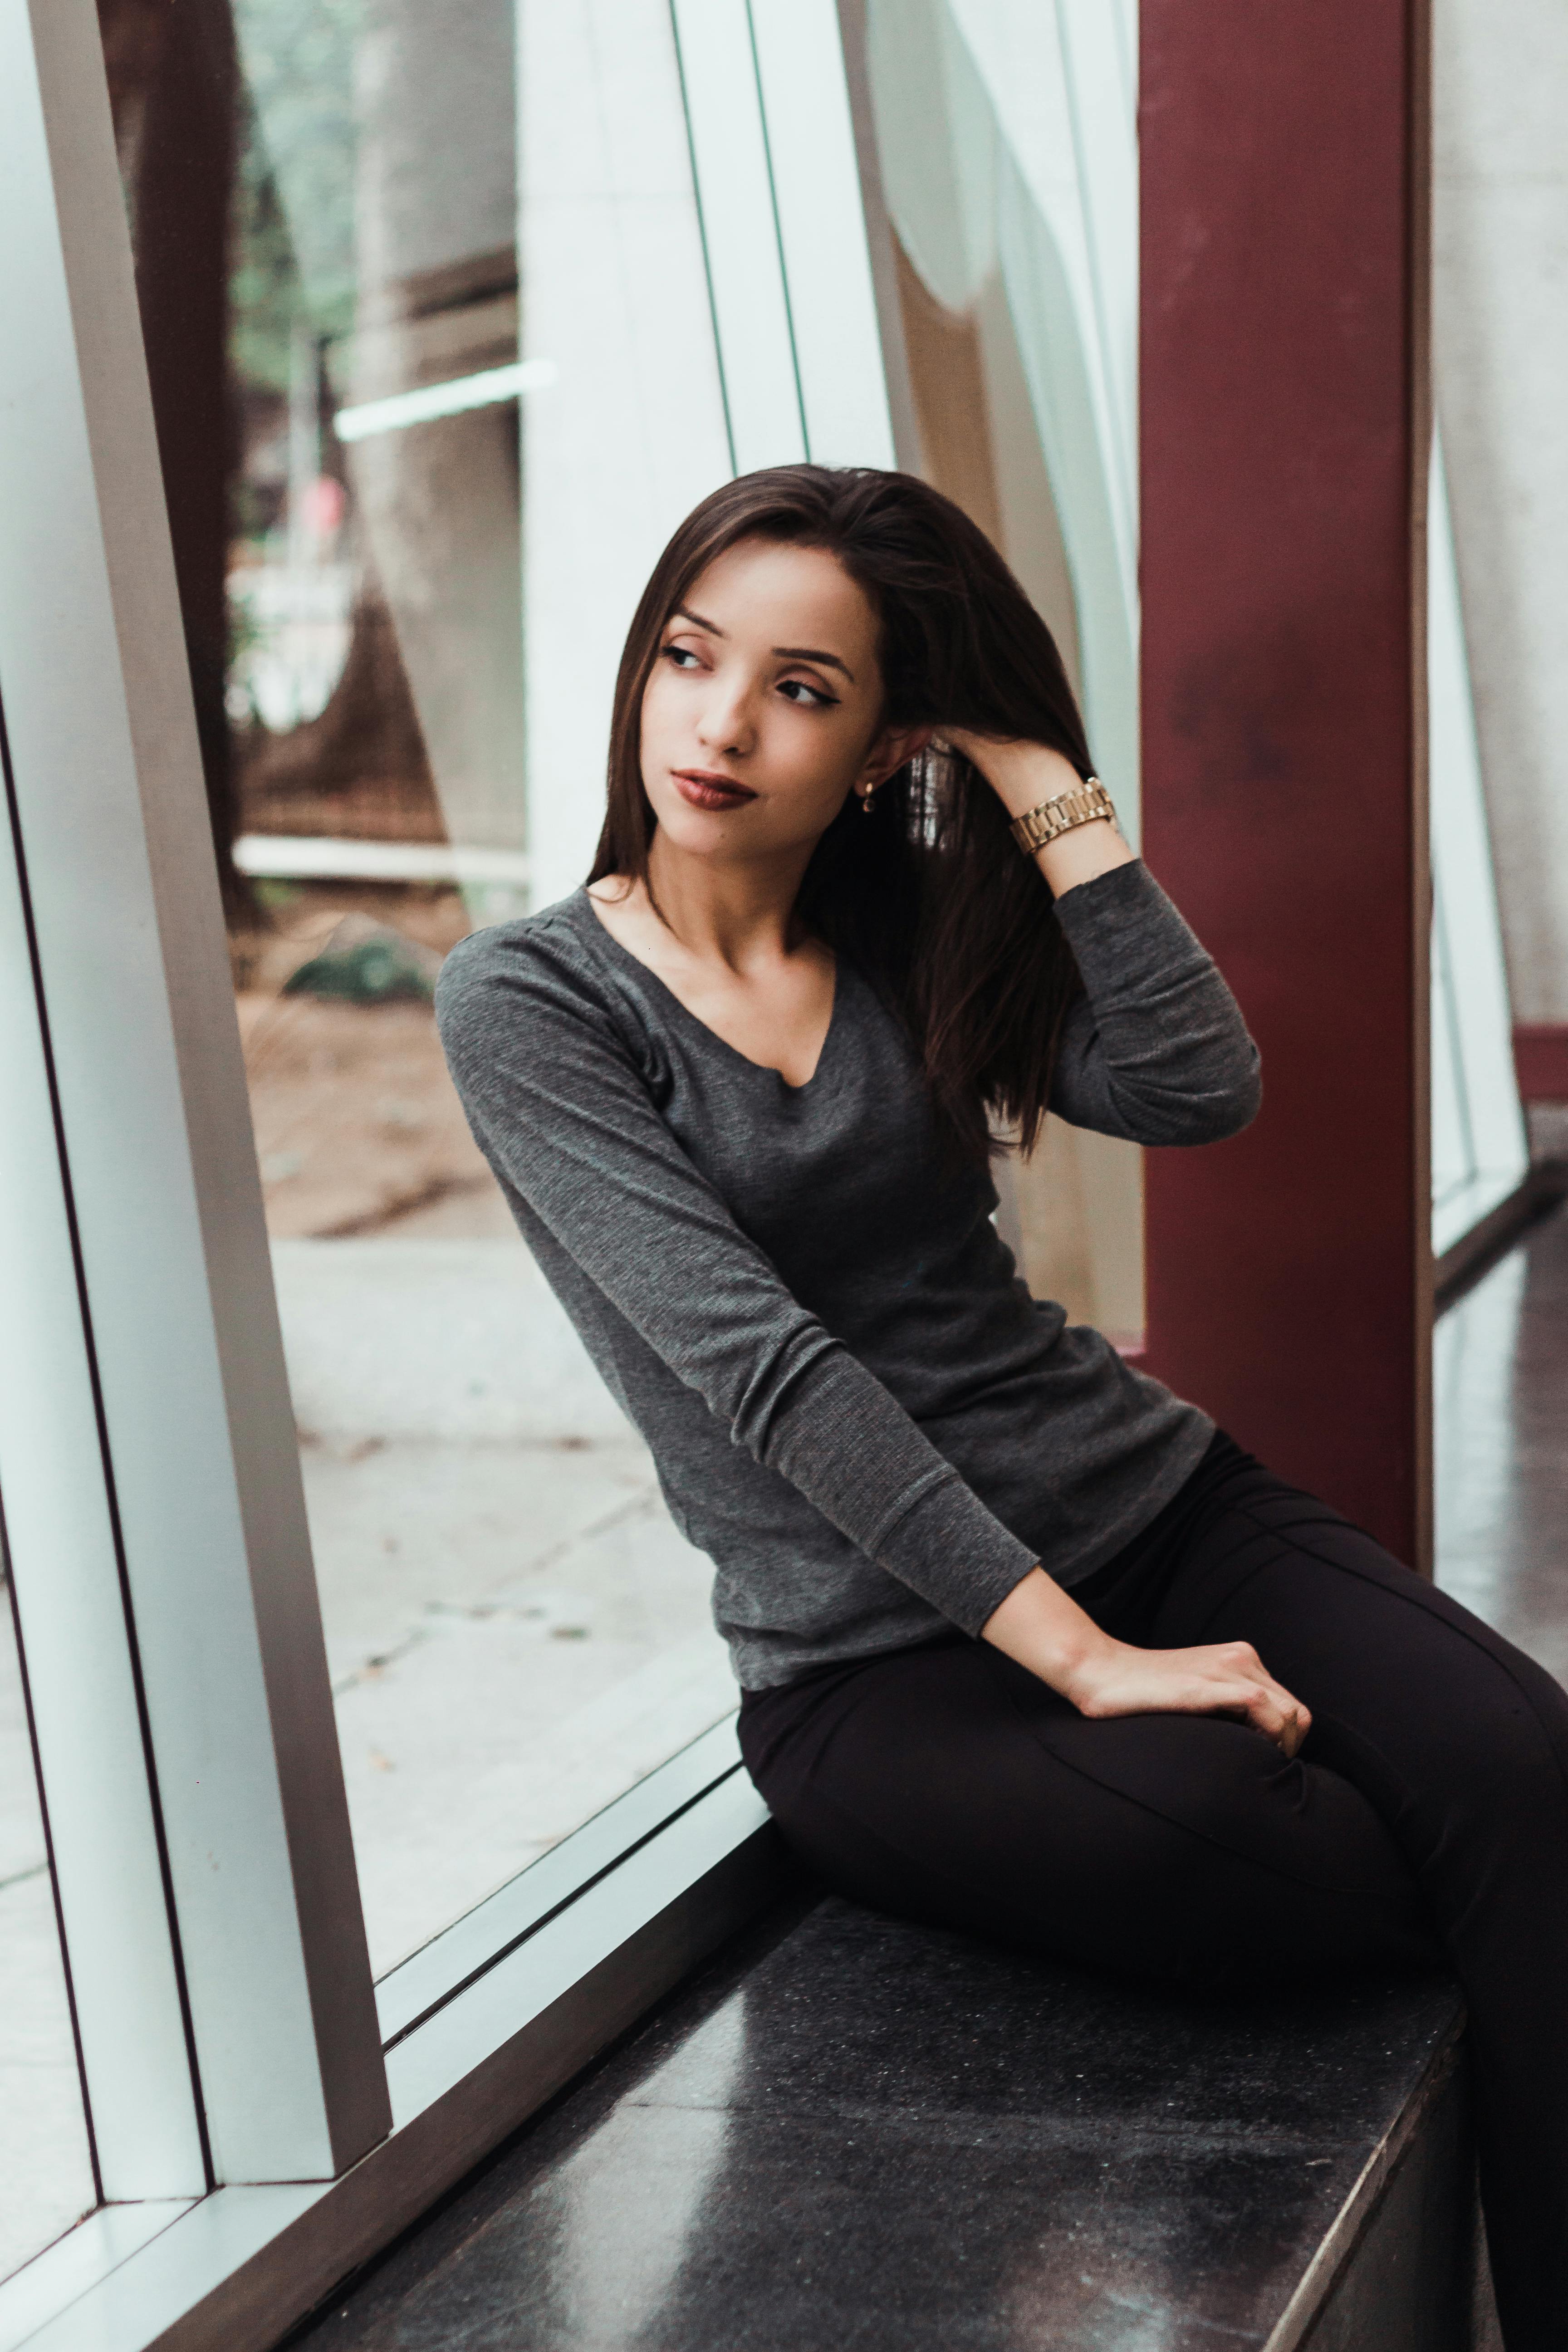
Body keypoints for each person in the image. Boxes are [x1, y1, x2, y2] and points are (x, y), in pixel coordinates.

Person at [437, 464, 1567, 2348]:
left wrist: (1046, 785)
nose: (719, 721)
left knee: (1529, 1777)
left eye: (804, 687)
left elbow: (1198, 1085)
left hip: (1160, 1504)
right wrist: (1092, 1661)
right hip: (878, 1661)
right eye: (691, 656)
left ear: (887, 744)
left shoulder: (899, 932)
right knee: (1295, 1835)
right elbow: (771, 1376)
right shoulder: (535, 1002)